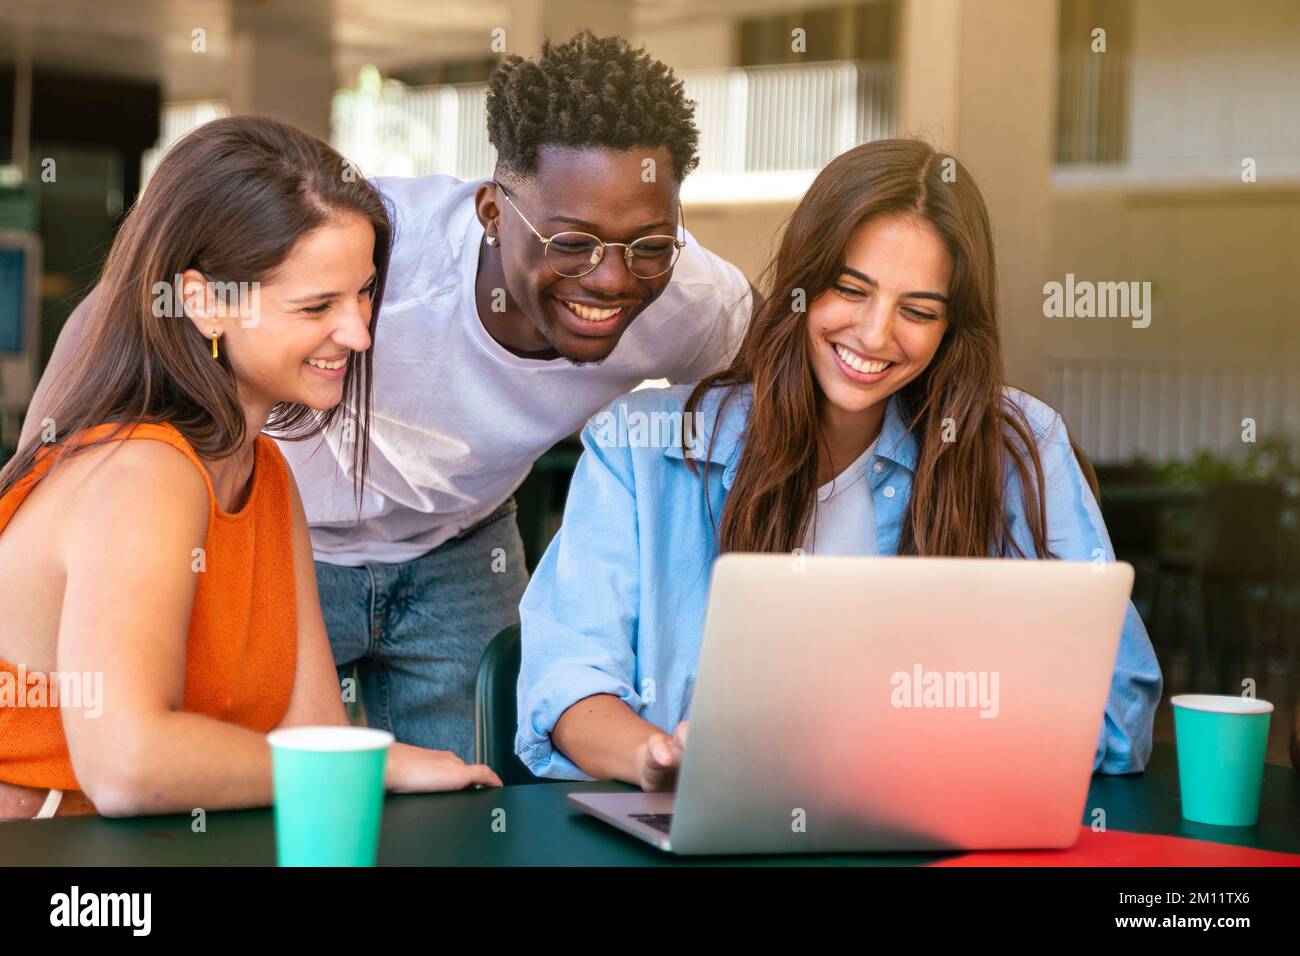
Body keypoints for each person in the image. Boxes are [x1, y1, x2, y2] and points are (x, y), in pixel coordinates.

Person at [26, 32, 754, 761]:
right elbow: (113, 310)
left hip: (457, 541)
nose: (612, 279)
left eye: (650, 245)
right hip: (294, 535)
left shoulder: (688, 299)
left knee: (473, 793)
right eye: (572, 243)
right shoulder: (370, 246)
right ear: (493, 214)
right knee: (236, 782)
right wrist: (43, 492)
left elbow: (783, 377)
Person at [516, 138, 1163, 789]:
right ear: (803, 280)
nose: (875, 335)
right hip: (697, 834)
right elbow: (568, 681)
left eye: (917, 310)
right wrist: (658, 761)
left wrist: (949, 751)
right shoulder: (643, 447)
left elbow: (1118, 706)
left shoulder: (1017, 446)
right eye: (851, 290)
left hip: (930, 829)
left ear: (950, 328)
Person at [0, 116, 499, 820]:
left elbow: (311, 731)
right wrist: (374, 768)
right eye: (316, 305)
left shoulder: (264, 472)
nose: (357, 332)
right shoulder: (143, 473)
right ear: (203, 302)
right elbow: (128, 766)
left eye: (362, 292)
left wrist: (384, 762)